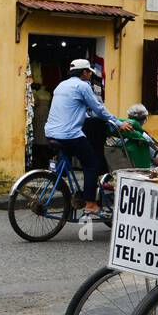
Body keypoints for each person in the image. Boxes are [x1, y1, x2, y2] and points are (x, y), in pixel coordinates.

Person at [43, 59, 130, 220]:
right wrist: (117, 122)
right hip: (69, 134)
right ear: (84, 72)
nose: (90, 74)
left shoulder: (61, 85)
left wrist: (88, 116)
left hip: (51, 132)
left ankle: (75, 193)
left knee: (71, 158)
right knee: (92, 164)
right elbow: (99, 108)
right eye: (89, 71)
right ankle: (90, 203)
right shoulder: (83, 86)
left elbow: (75, 111)